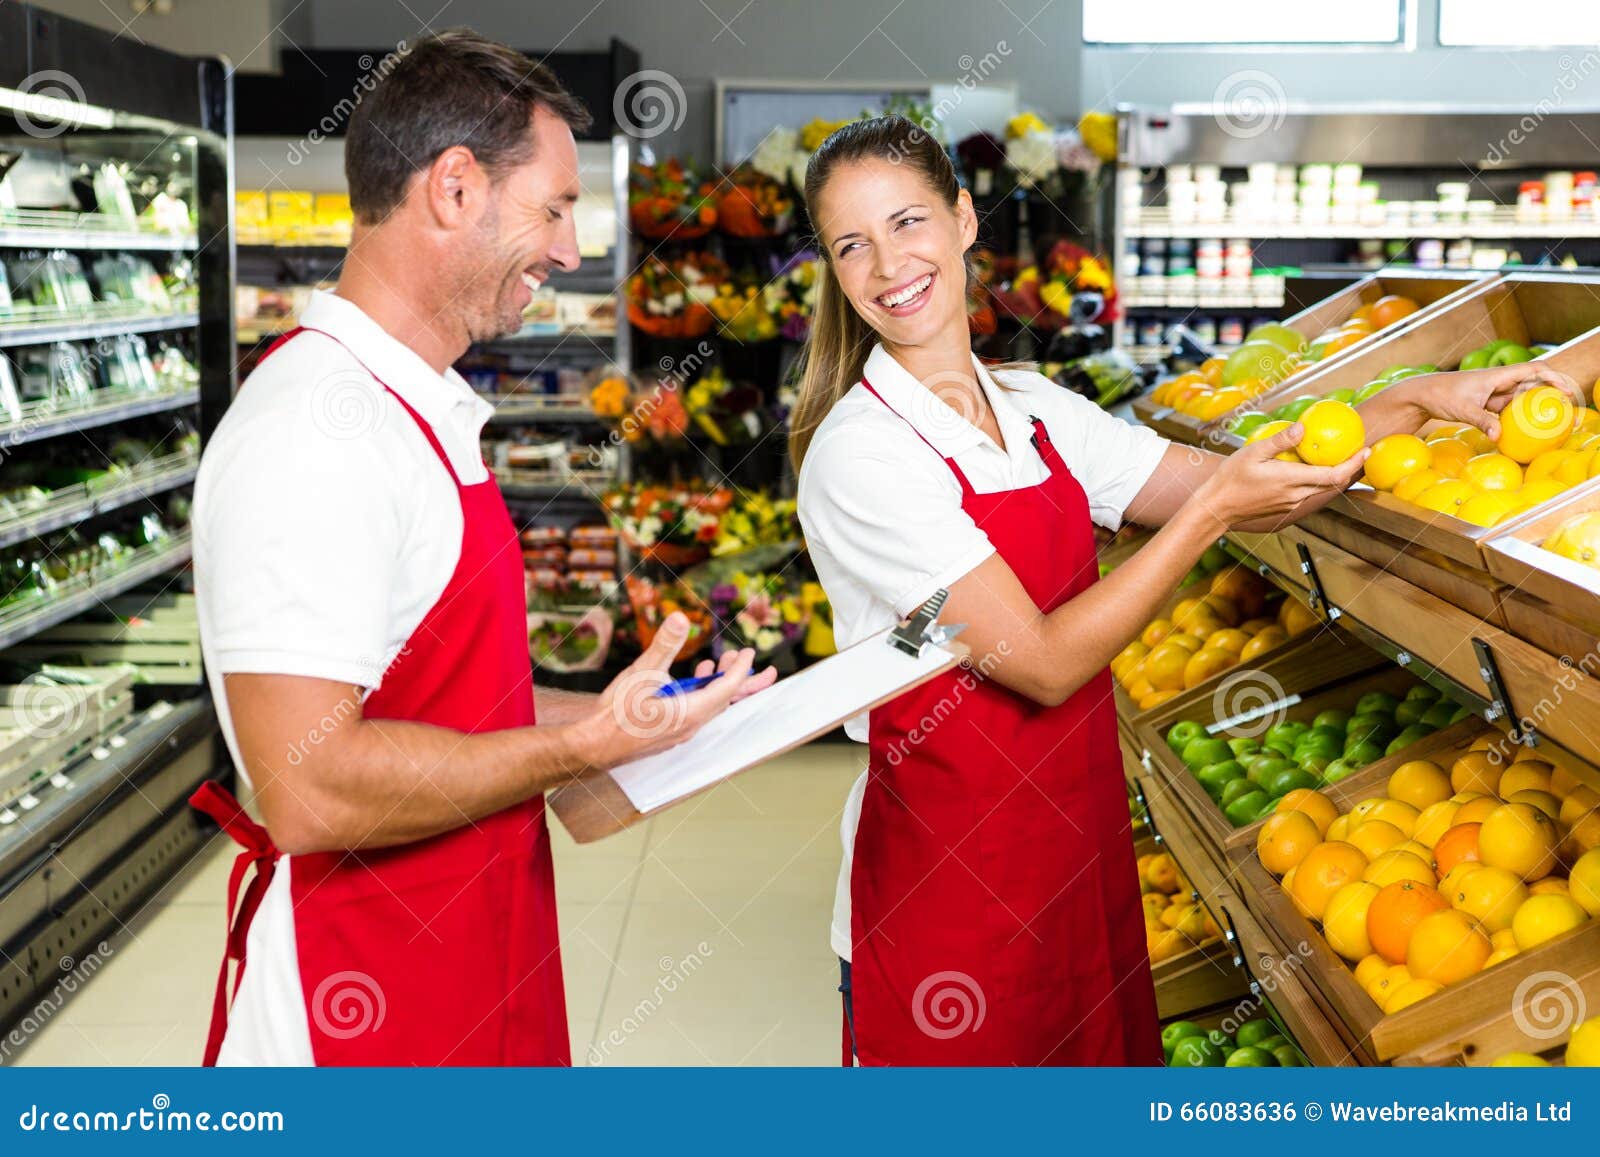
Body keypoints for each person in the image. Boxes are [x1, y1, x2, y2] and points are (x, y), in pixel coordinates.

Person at [792, 115, 1575, 1067]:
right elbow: (1038, 663)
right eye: (852, 244)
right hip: (947, 901)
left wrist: (1415, 403)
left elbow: (1231, 479)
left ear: (963, 220)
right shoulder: (860, 454)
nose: (888, 264)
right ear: (832, 269)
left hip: (1078, 869)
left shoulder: (1036, 410)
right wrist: (1209, 519)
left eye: (908, 222)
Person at [191, 30, 772, 1067]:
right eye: (553, 207)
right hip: (356, 1001)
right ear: (454, 189)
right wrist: (576, 750)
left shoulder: (413, 412)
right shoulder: (313, 432)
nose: (570, 249)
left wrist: (629, 720)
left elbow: (453, 701)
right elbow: (309, 785)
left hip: (470, 948)